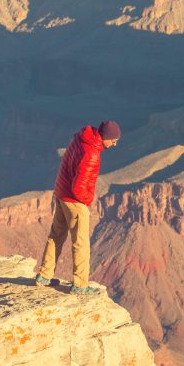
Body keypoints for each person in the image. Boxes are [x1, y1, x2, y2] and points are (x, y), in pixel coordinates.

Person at [35, 120, 120, 294]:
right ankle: (80, 285)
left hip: (61, 192)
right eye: (113, 140)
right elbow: (79, 187)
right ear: (106, 137)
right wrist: (88, 201)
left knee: (56, 235)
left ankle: (44, 276)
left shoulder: (81, 138)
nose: (114, 144)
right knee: (81, 243)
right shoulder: (92, 154)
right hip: (74, 200)